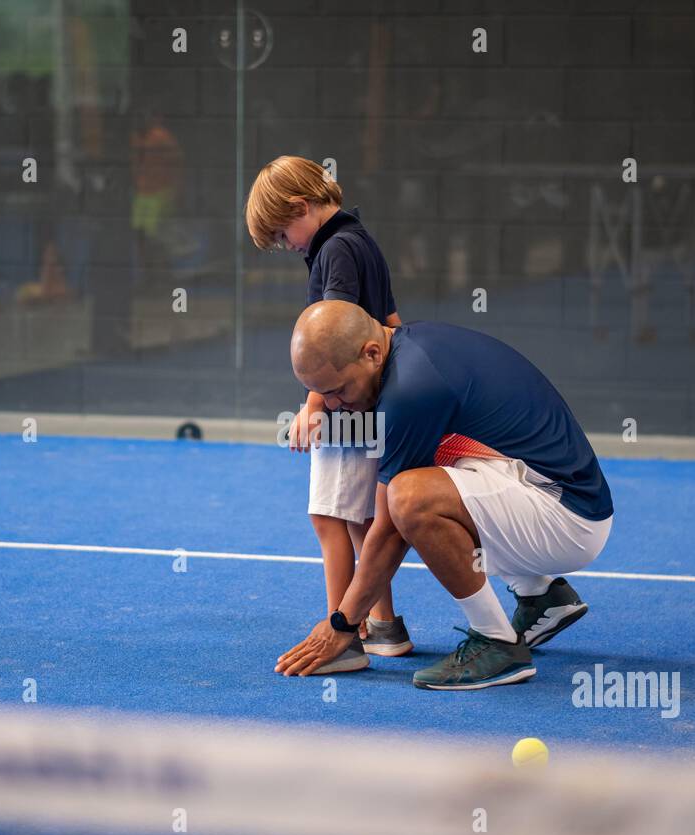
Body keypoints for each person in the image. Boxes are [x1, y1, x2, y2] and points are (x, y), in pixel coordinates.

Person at [275, 302, 611, 690]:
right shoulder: (411, 346)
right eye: (319, 394)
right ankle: (540, 595)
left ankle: (497, 644)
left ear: (371, 353)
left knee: (411, 497)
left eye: (337, 390)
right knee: (433, 474)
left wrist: (342, 623)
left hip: (568, 517)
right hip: (554, 493)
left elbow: (388, 532)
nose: (332, 406)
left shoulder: (410, 391)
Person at [245, 156, 411, 670]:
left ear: (302, 206)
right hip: (370, 396)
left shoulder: (334, 250)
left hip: (346, 406)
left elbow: (332, 336)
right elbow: (389, 321)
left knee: (328, 518)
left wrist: (313, 405)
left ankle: (346, 638)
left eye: (281, 233)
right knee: (362, 519)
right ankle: (384, 625)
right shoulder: (358, 237)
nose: (285, 245)